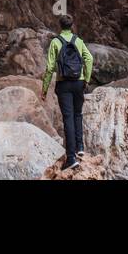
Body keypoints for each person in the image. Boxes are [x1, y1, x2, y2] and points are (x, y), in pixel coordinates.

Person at [40, 14, 93, 170]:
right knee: (78, 114)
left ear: (60, 26)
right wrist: (87, 79)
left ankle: (71, 158)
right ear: (72, 25)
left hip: (63, 85)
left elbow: (50, 68)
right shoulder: (78, 41)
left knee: (68, 118)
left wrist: (44, 89)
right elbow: (89, 59)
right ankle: (80, 147)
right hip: (78, 83)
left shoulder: (55, 42)